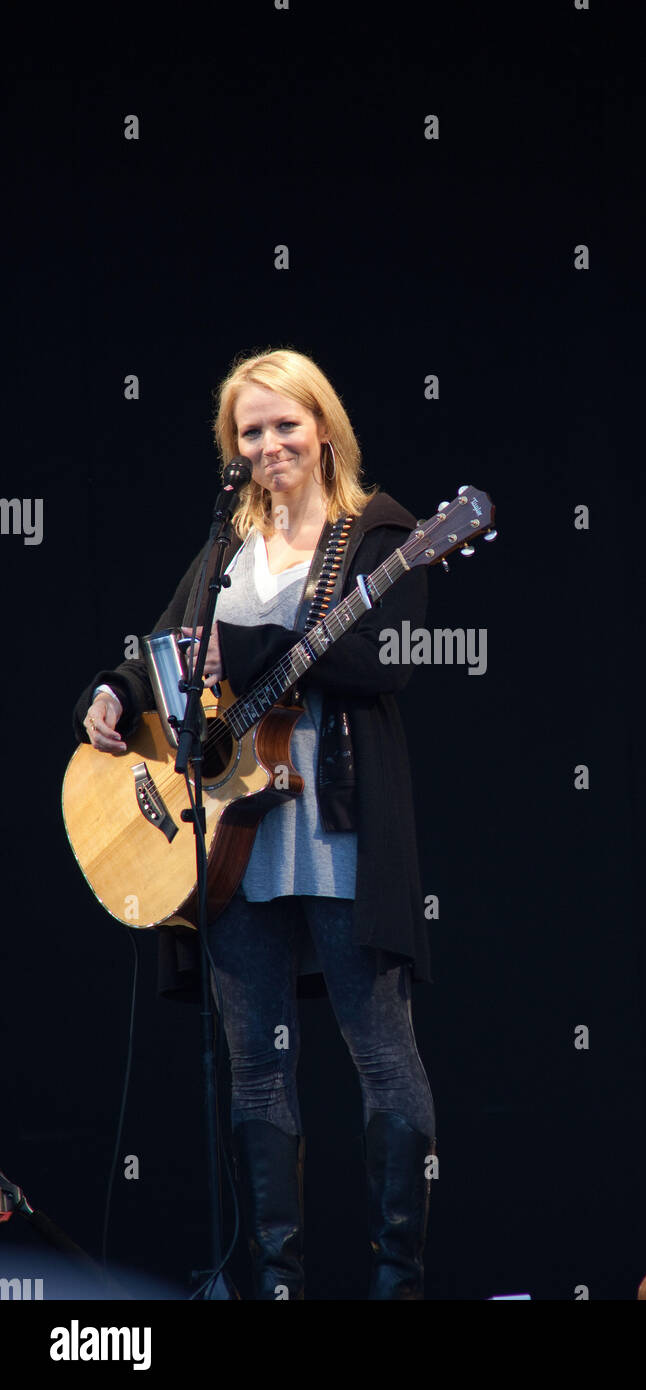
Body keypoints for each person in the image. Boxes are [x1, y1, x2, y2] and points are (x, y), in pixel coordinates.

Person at [72, 347, 436, 1300]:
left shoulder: (379, 534)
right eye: (251, 430)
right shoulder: (228, 546)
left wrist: (248, 644)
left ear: (324, 428)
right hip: (231, 845)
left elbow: (382, 663)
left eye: (286, 424)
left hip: (341, 833)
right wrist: (113, 691)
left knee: (383, 1058)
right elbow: (167, 647)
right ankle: (275, 1283)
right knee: (257, 1071)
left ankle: (398, 1283)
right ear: (232, 447)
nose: (270, 443)